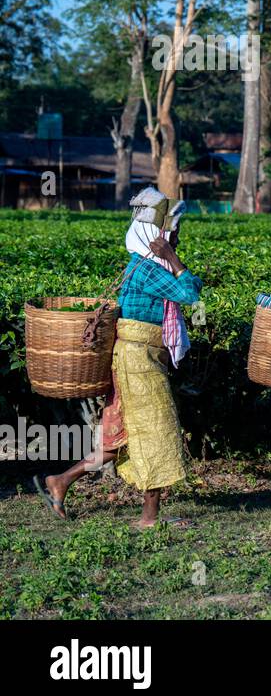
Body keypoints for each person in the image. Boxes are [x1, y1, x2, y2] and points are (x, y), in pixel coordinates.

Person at [36, 188, 203, 528]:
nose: (177, 239)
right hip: (137, 359)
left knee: (122, 434)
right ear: (155, 237)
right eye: (172, 234)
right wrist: (172, 257)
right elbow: (191, 292)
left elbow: (191, 286)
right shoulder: (148, 269)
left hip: (139, 356)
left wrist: (171, 259)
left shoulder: (146, 266)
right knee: (155, 431)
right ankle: (148, 517)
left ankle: (61, 481)